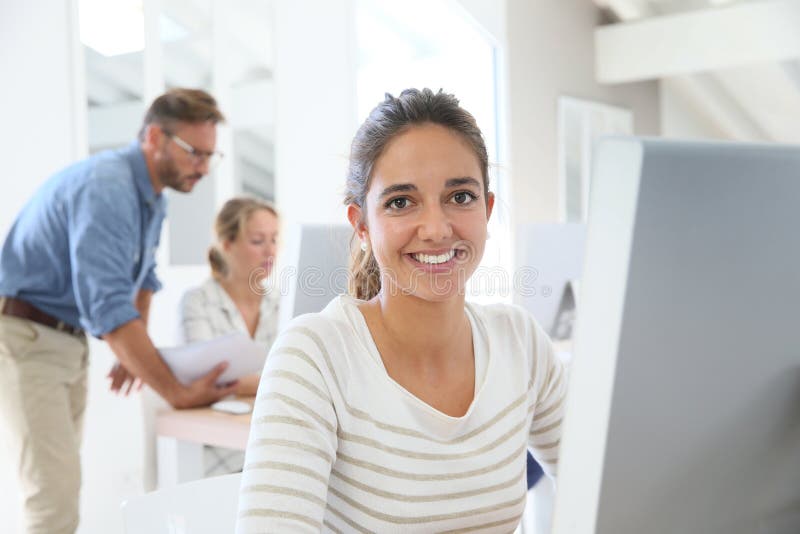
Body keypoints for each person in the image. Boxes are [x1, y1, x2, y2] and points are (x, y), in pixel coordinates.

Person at [235, 88, 568, 533]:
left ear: (487, 211)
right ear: (362, 225)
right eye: (400, 202)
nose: (435, 228)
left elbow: (608, 484)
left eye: (461, 196)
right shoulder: (314, 357)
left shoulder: (519, 341)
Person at [0, 88, 238, 534]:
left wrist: (133, 348)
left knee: (59, 490)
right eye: (194, 153)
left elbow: (143, 279)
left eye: (211, 156)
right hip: (26, 337)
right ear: (154, 137)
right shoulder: (107, 188)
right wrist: (177, 393)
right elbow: (108, 304)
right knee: (51, 498)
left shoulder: (151, 195)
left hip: (62, 340)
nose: (203, 168)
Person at [181, 197, 280, 397]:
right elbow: (208, 380)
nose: (270, 251)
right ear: (227, 244)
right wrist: (281, 383)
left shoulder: (281, 302)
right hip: (217, 421)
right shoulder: (198, 302)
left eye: (274, 239)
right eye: (258, 241)